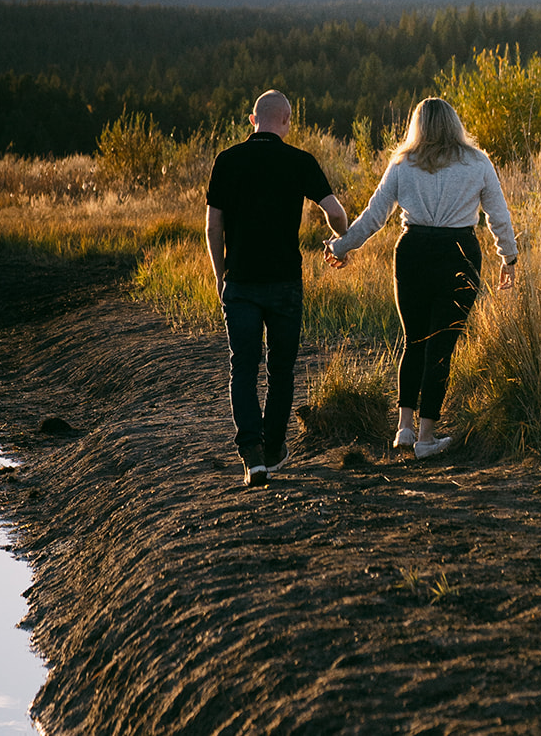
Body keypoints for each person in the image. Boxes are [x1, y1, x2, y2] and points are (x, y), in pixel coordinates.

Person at [325, 97, 518, 459]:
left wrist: (342, 246)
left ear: (418, 126)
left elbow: (374, 215)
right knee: (440, 347)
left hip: (412, 253)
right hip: (458, 254)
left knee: (413, 340)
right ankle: (427, 439)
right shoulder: (477, 162)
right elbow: (498, 215)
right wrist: (508, 256)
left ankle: (405, 428)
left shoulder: (403, 163)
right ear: (454, 124)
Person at [206, 90, 349, 486]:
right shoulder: (300, 161)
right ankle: (273, 448)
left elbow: (213, 226)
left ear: (253, 120)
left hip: (241, 282)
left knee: (243, 367)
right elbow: (334, 212)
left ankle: (251, 454)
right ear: (287, 120)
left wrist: (221, 274)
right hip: (286, 282)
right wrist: (343, 242)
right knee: (281, 369)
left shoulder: (227, 160)